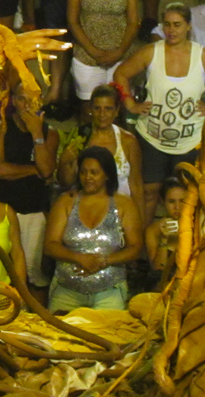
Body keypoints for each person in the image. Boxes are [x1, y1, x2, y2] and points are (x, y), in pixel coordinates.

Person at [115, 2, 205, 221]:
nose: (171, 30)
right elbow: (121, 74)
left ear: (188, 26)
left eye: (177, 25)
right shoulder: (151, 52)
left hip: (190, 140)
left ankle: (187, 248)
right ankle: (143, 246)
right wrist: (130, 104)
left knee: (188, 194)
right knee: (150, 192)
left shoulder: (203, 56)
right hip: (152, 138)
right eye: (167, 25)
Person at [44, 145, 143, 312]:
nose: (87, 177)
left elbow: (136, 248)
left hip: (109, 292)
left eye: (94, 173)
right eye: (83, 172)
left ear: (107, 175)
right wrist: (80, 258)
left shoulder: (124, 204)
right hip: (67, 290)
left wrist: (104, 261)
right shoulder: (66, 201)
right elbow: (50, 245)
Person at [0, 91, 57, 293]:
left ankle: (36, 318)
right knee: (2, 268)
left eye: (32, 100)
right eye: (22, 98)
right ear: (14, 101)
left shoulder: (49, 133)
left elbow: (46, 170)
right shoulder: (1, 126)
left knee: (33, 274)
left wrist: (37, 134)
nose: (27, 105)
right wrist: (32, 170)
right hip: (4, 208)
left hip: (34, 210)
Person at [58, 86, 145, 218]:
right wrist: (64, 162)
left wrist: (140, 223)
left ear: (116, 111)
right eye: (97, 108)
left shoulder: (128, 141)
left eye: (108, 109)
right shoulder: (80, 138)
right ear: (91, 109)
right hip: (86, 213)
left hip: (122, 214)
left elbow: (136, 185)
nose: (102, 114)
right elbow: (67, 182)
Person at [144, 177, 187, 281]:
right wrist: (163, 239)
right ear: (163, 202)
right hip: (164, 284)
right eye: (171, 201)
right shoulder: (153, 231)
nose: (177, 207)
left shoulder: (198, 226)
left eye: (182, 201)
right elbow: (158, 269)